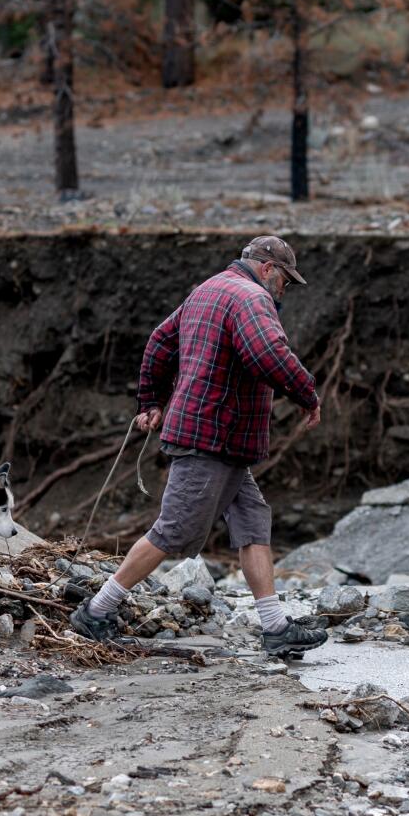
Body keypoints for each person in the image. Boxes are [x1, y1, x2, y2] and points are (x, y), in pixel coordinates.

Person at [70, 235, 328, 656]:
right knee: (175, 530)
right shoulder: (251, 297)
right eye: (285, 281)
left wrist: (151, 401)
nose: (284, 291)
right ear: (267, 269)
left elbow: (159, 341)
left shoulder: (207, 290)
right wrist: (307, 394)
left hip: (222, 441)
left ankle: (275, 627)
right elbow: (269, 353)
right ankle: (97, 610)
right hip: (209, 437)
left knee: (252, 521)